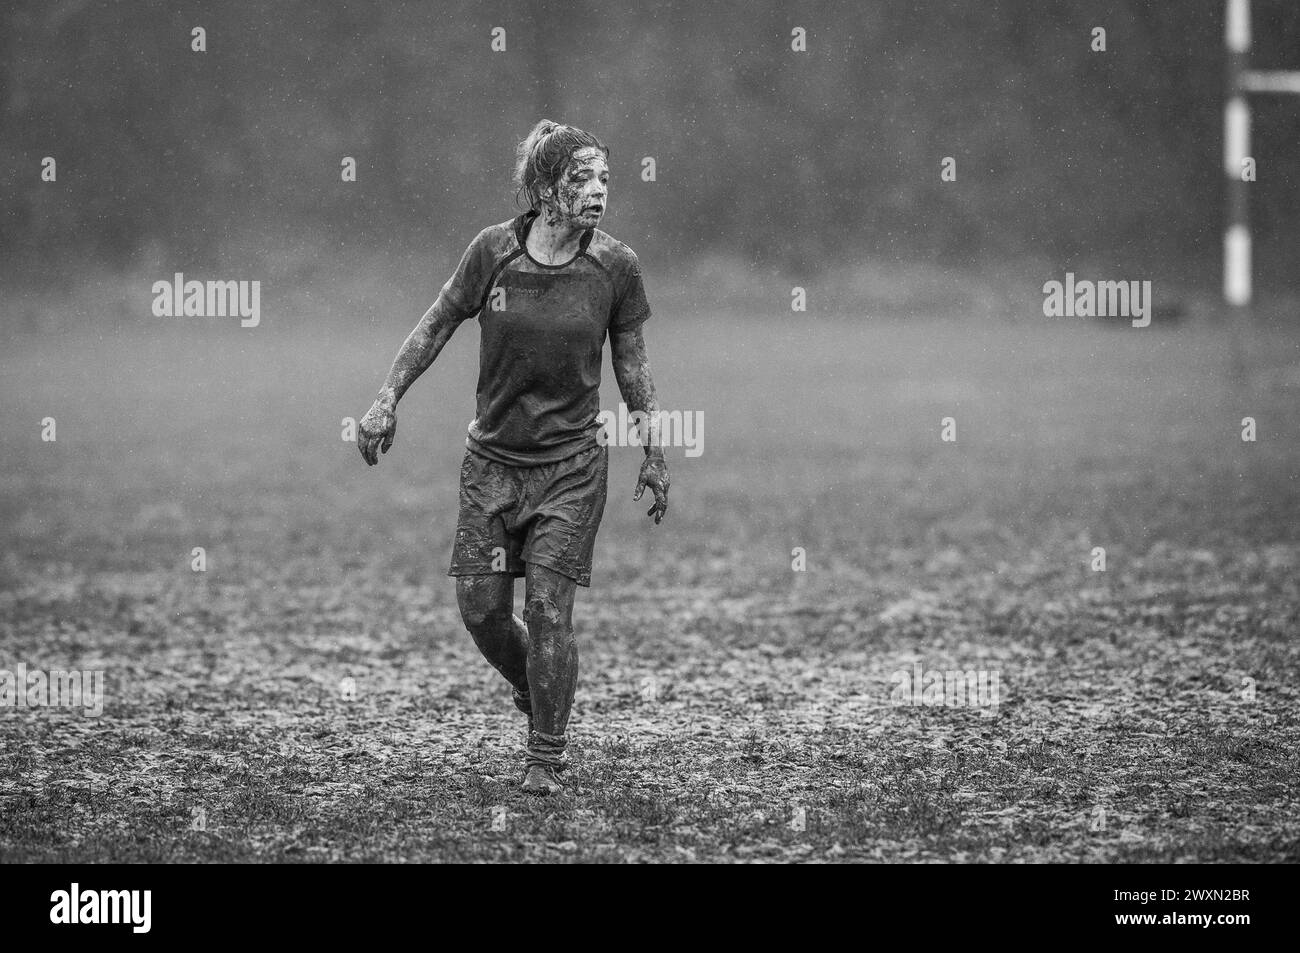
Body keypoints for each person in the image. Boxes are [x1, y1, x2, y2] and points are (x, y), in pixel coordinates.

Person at [357, 120, 670, 794]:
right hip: (492, 464)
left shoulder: (615, 265)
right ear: (544, 187)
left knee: (553, 608)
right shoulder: (492, 252)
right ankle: (536, 682)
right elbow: (436, 322)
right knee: (482, 610)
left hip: (573, 465)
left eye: (604, 180)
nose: (597, 192)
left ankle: (547, 754)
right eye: (580, 179)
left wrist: (654, 448)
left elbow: (633, 364)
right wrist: (387, 398)